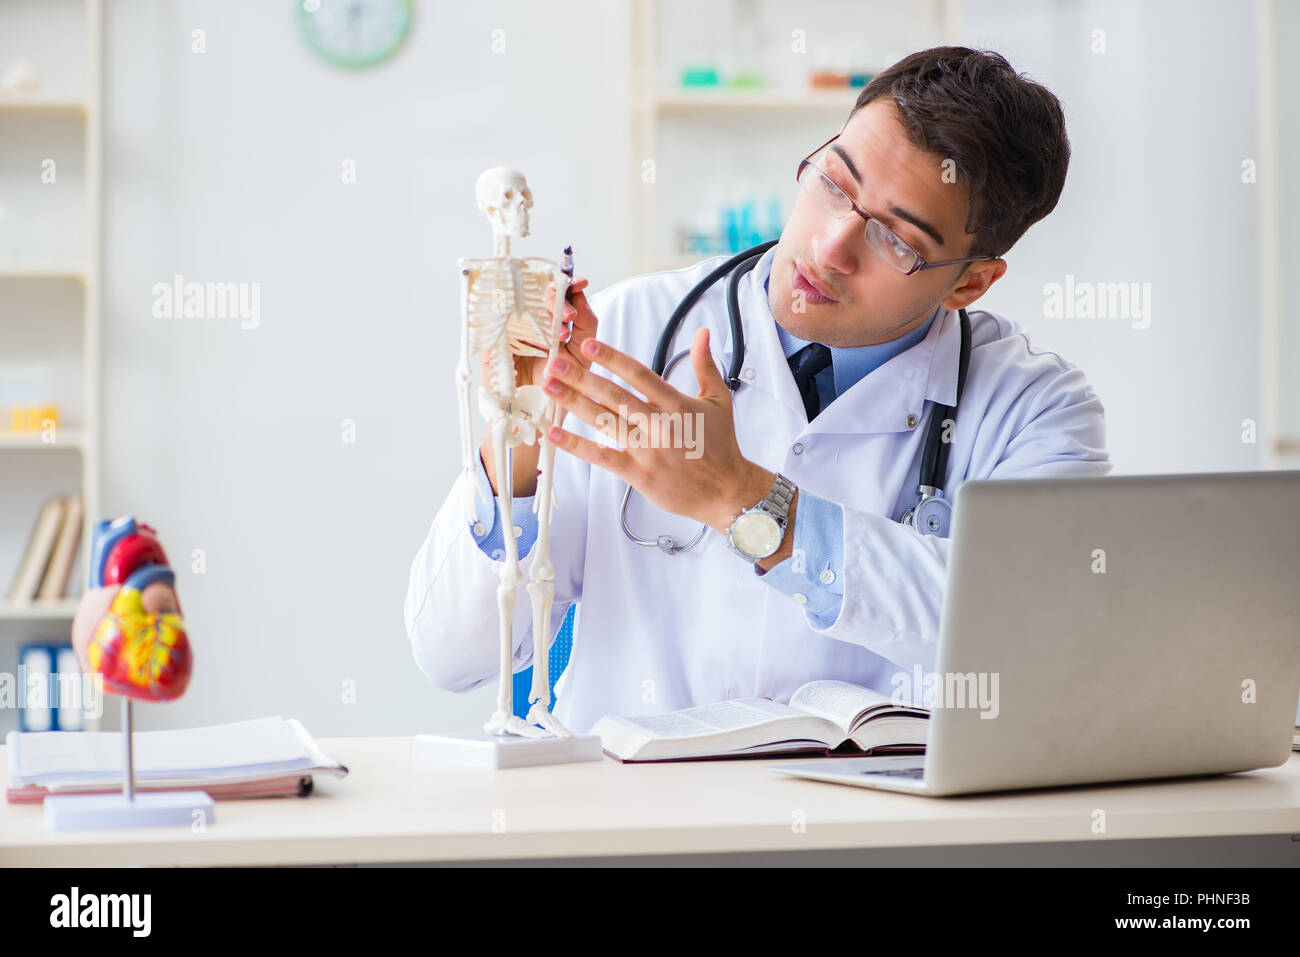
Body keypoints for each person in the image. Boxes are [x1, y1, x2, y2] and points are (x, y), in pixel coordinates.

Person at [405, 46, 1112, 735]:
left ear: (969, 281)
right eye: (834, 182)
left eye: (897, 240)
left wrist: (741, 497)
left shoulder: (1035, 411)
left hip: (870, 837)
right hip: (630, 831)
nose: (832, 246)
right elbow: (451, 654)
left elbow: (1035, 641)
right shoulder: (625, 334)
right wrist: (518, 434)